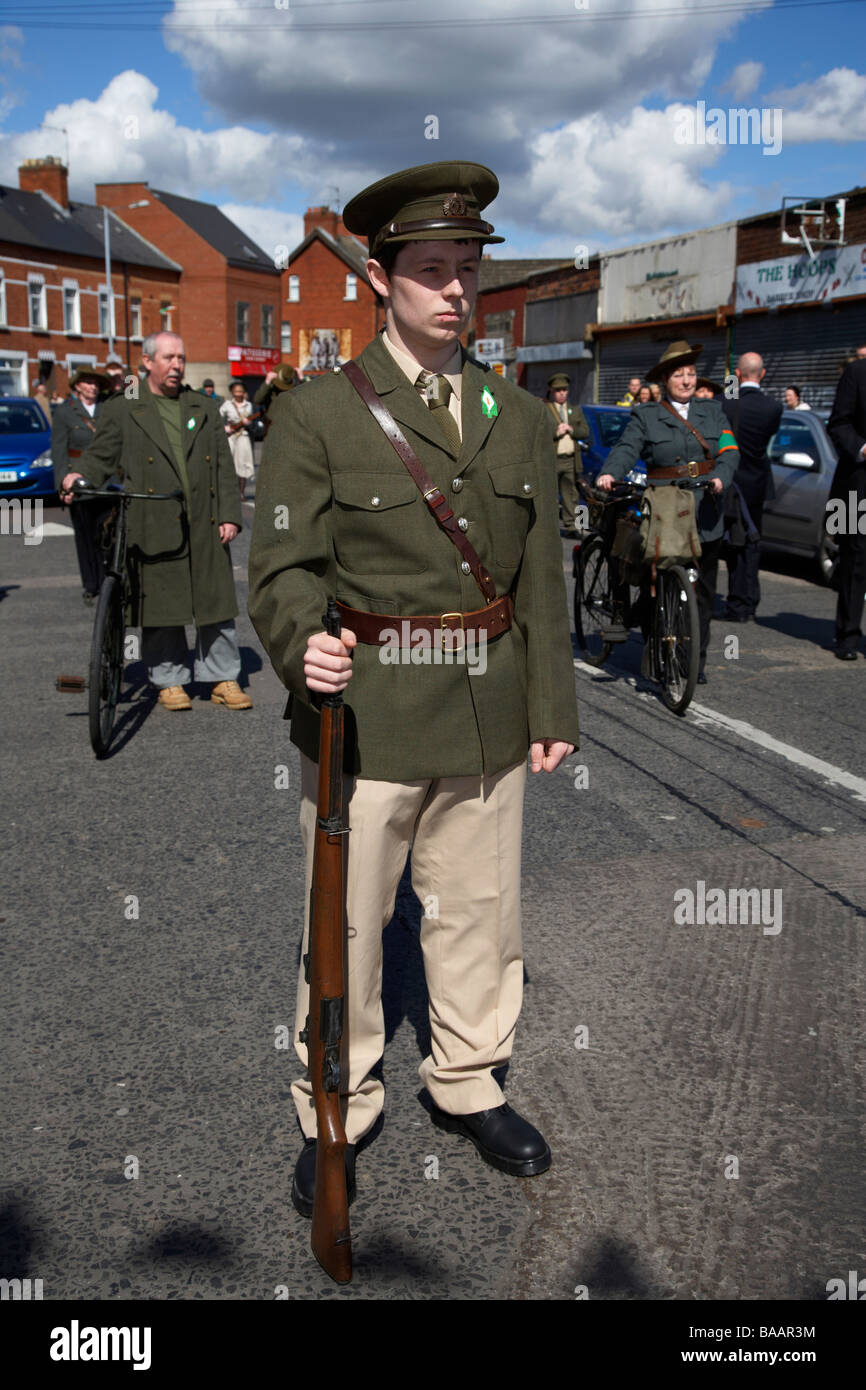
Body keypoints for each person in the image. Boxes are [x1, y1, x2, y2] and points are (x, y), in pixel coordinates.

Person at [248, 159, 579, 1216]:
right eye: (430, 270)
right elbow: (283, 565)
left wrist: (550, 710)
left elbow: (538, 578)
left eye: (466, 271)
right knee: (345, 919)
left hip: (484, 706)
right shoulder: (317, 414)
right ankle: (332, 1098)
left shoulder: (517, 415)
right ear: (382, 280)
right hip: (370, 710)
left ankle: (469, 1077)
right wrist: (304, 640)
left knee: (480, 911)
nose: (453, 290)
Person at [59, 332, 252, 711]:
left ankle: (222, 676)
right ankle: (169, 679)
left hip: (204, 519)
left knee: (215, 602)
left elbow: (224, 470)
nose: (177, 365)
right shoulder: (125, 407)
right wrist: (77, 477)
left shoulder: (203, 406)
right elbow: (101, 455)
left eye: (181, 358)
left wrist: (230, 514)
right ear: (147, 362)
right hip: (153, 517)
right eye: (168, 358)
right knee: (161, 606)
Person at [596, 340, 739, 684]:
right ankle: (658, 648)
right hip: (664, 510)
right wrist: (609, 472)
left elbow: (729, 450)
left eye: (691, 374)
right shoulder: (647, 415)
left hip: (706, 510)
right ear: (664, 380)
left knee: (702, 593)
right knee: (654, 584)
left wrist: (720, 477)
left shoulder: (713, 411)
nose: (687, 380)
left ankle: (694, 662)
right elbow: (627, 447)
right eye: (679, 375)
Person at [721, 352, 783, 623]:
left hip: (732, 480)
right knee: (753, 541)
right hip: (757, 481)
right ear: (763, 373)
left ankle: (737, 602)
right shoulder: (773, 407)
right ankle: (750, 600)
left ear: (738, 373)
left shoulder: (727, 404)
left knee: (735, 541)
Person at [51, 367, 114, 603]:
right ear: (77, 386)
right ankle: (92, 584)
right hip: (79, 483)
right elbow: (59, 452)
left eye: (96, 383)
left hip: (108, 483)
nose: (93, 387)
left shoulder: (107, 408)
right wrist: (63, 485)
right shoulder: (65, 412)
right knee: (86, 538)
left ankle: (109, 581)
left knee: (108, 536)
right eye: (88, 383)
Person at [827, 357, 866, 660]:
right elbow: (839, 423)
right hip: (859, 482)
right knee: (856, 559)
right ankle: (848, 635)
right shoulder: (857, 372)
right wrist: (862, 447)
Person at [546, 372, 589, 533]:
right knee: (549, 494)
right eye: (558, 390)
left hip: (571, 459)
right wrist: (556, 432)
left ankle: (572, 526)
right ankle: (549, 528)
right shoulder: (546, 409)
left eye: (564, 389)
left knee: (571, 494)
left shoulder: (575, 410)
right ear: (551, 391)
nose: (562, 393)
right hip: (552, 459)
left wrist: (571, 429)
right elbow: (539, 432)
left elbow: (585, 431)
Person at [220, 381, 256, 499]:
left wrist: (248, 423)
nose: (238, 394)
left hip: (243, 436)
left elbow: (252, 423)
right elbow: (218, 418)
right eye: (236, 391)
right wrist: (225, 428)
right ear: (232, 392)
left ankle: (241, 492)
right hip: (231, 437)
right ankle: (230, 492)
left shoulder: (248, 405)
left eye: (240, 391)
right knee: (229, 464)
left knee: (243, 464)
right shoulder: (227, 405)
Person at [253, 362, 302, 434]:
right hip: (273, 428)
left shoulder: (294, 390)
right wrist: (267, 382)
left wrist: (301, 379)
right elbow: (257, 400)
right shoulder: (270, 389)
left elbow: (307, 401)